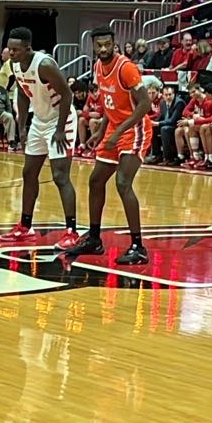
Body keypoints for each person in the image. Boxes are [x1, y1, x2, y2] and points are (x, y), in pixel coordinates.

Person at [62, 26, 152, 265]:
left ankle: (138, 247)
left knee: (123, 183)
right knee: (95, 180)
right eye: (99, 45)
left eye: (107, 45)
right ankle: (94, 238)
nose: (103, 49)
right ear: (93, 46)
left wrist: (118, 132)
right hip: (113, 128)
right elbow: (108, 103)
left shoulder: (126, 68)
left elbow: (145, 104)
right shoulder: (97, 67)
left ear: (114, 44)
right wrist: (101, 132)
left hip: (135, 129)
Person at [0, 28, 79, 249]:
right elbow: (23, 95)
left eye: (15, 50)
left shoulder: (44, 64)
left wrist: (60, 129)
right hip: (39, 121)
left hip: (61, 120)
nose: (11, 53)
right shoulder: (15, 65)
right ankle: (25, 226)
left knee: (60, 176)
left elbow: (67, 94)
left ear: (28, 48)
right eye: (9, 49)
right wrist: (22, 127)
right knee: (28, 173)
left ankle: (72, 231)